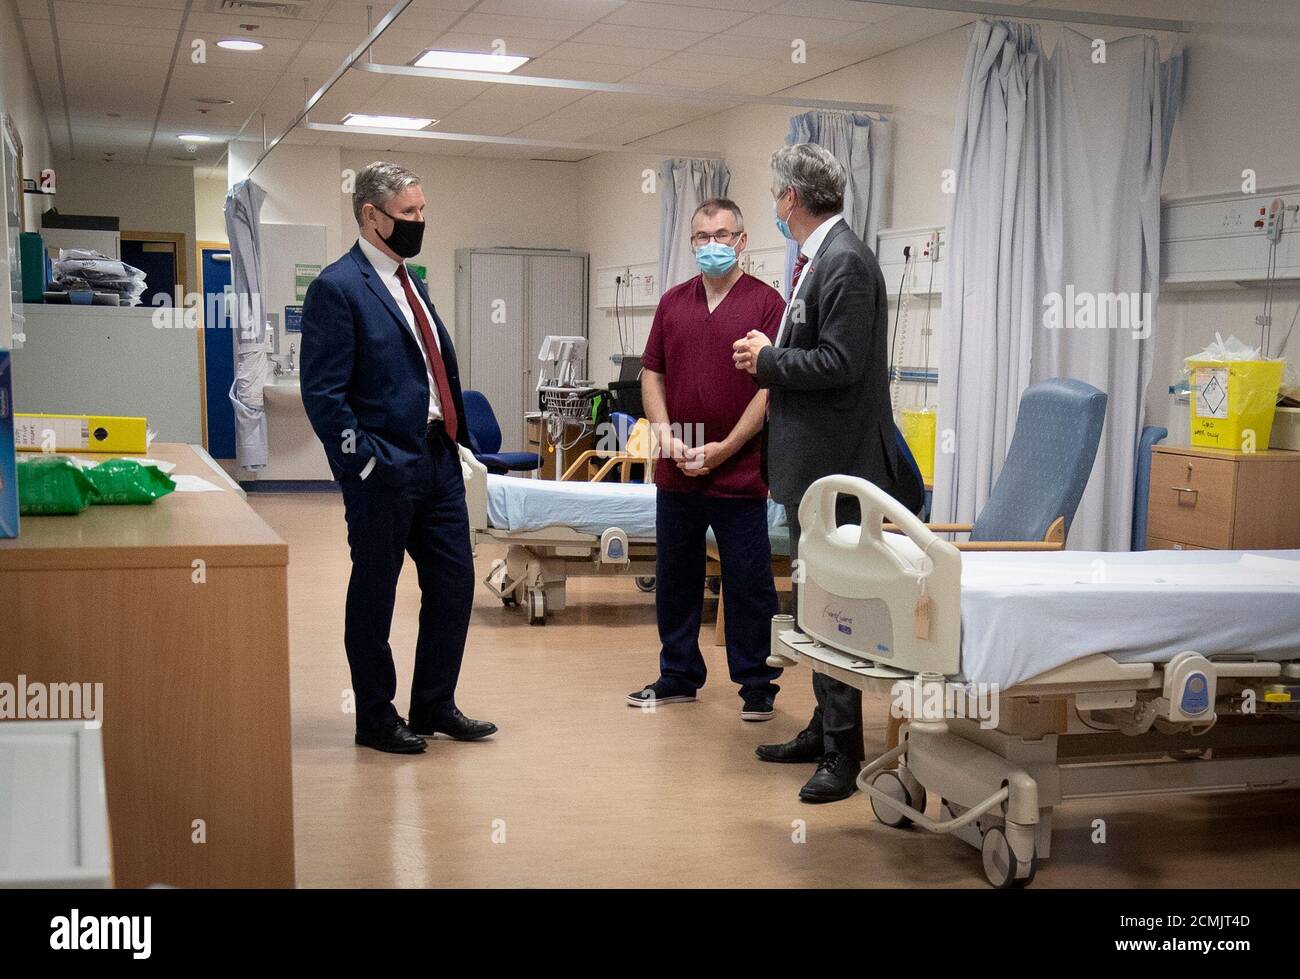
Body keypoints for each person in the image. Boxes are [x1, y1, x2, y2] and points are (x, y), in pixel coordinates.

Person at [733, 144, 924, 801]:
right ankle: (822, 728)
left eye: (774, 196)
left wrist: (768, 359)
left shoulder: (846, 264)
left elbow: (839, 362)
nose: (775, 206)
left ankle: (845, 755)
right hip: (815, 470)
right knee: (814, 608)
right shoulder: (821, 260)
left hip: (840, 468)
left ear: (790, 197)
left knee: (837, 612)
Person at [300, 160, 497, 755]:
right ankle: (376, 718)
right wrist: (363, 464)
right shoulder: (337, 287)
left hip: (436, 459)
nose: (420, 220)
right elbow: (325, 396)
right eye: (408, 213)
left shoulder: (414, 282)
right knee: (376, 592)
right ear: (371, 216)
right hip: (382, 469)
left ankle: (434, 703)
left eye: (421, 209)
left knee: (454, 583)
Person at [626, 198, 786, 720]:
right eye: (701, 237)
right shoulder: (673, 303)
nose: (711, 245)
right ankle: (677, 675)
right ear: (691, 243)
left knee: (749, 581)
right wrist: (665, 435)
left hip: (738, 467)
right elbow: (652, 374)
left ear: (742, 241)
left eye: (721, 235)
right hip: (677, 467)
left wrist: (727, 448)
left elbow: (770, 387)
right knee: (675, 575)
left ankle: (757, 684)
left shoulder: (767, 304)